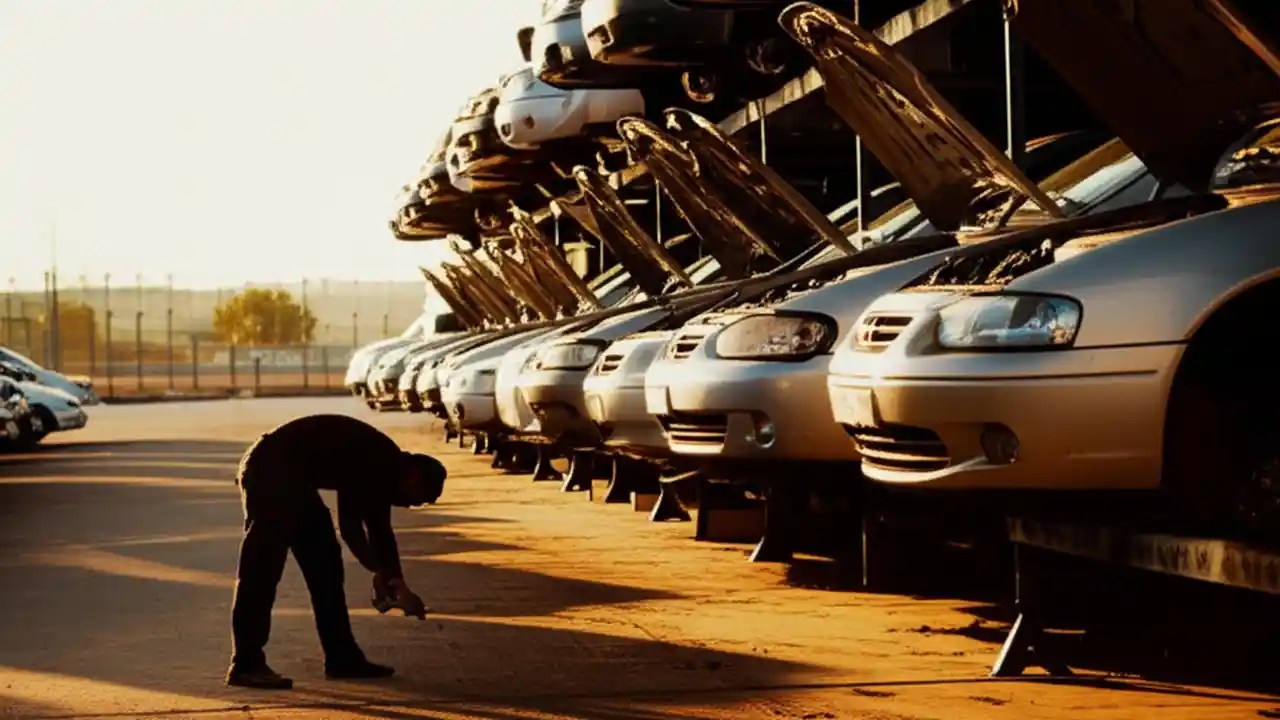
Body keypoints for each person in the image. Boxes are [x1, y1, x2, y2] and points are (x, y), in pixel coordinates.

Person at [226, 414, 446, 690]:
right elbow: (355, 527)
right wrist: (387, 576)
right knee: (262, 567)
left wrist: (390, 577)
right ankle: (246, 663)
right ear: (414, 476)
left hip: (295, 479)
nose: (412, 505)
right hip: (270, 469)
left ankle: (342, 656)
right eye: (419, 498)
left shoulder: (384, 467)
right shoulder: (380, 461)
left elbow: (376, 528)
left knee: (326, 564)